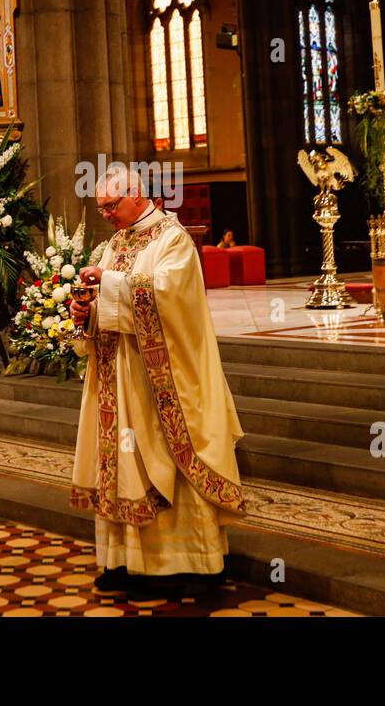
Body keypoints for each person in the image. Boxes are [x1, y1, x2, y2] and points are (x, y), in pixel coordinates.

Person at [69, 166, 245, 601]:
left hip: (159, 379)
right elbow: (108, 302)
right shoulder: (114, 243)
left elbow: (171, 297)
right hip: (116, 374)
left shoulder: (173, 238)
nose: (107, 215)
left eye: (111, 206)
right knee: (121, 464)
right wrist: (85, 310)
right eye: (101, 208)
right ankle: (123, 560)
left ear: (137, 194)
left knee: (165, 457)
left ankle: (190, 564)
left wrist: (107, 285)